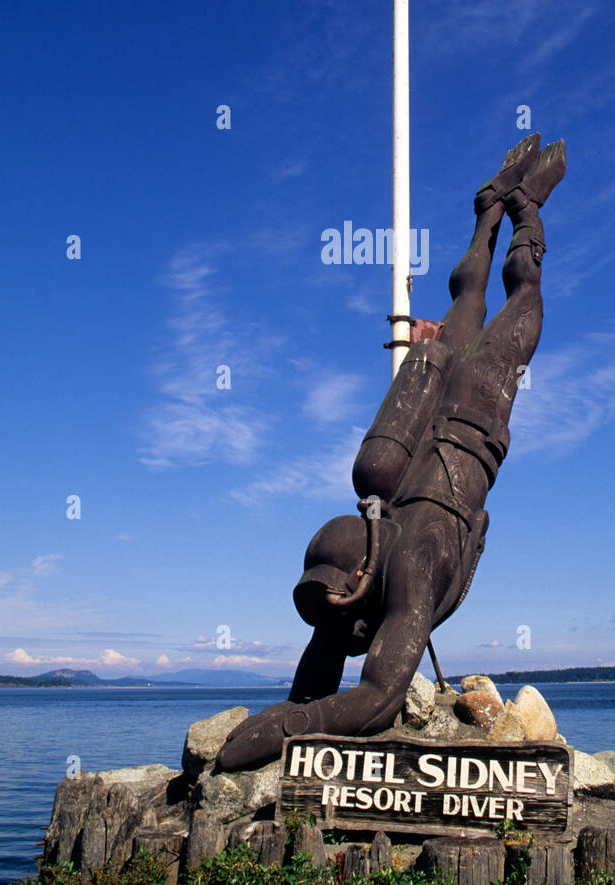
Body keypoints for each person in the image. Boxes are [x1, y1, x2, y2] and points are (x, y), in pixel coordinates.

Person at [217, 133, 565, 770]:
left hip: (470, 423)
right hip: (441, 433)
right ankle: (491, 211)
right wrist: (293, 711)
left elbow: (379, 699)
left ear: (356, 576)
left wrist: (287, 726)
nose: (344, 628)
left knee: (524, 305)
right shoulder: (368, 561)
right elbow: (332, 671)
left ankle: (522, 212)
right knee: (467, 303)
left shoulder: (405, 568)